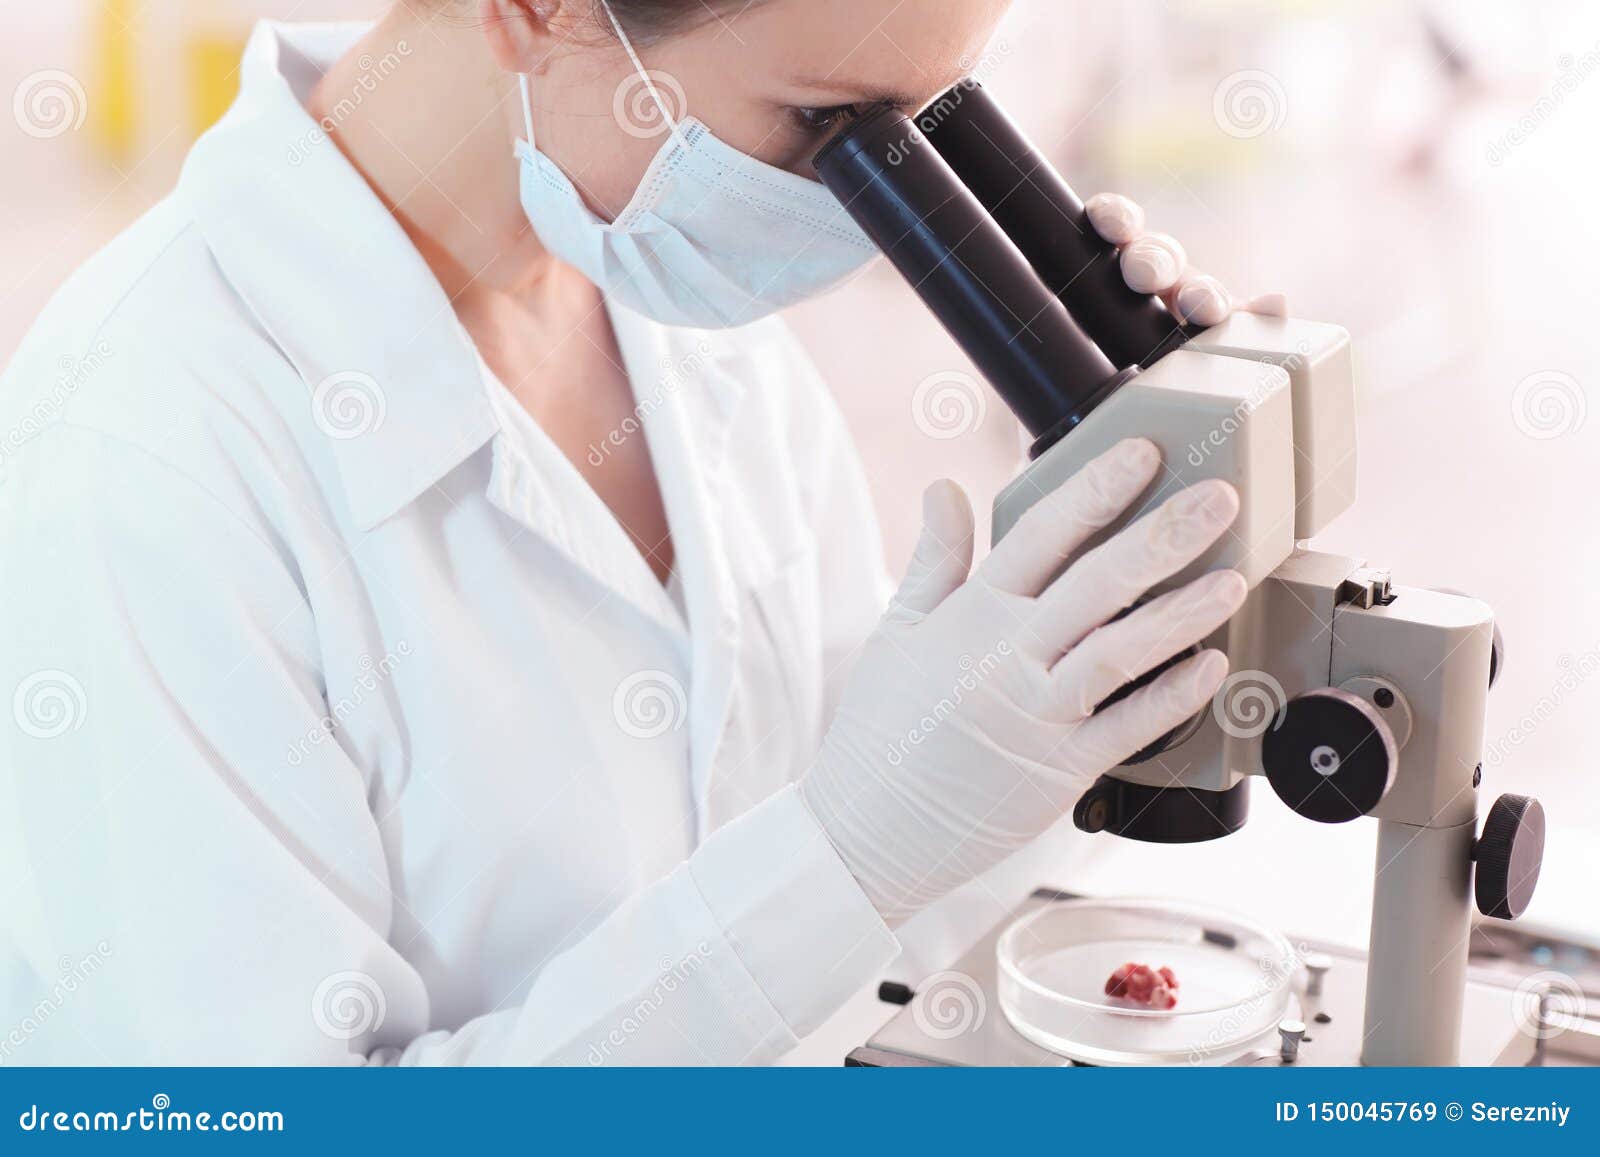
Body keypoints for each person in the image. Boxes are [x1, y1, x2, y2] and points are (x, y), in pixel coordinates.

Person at [0, 0, 1278, 1064]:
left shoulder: (675, 310)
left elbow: (863, 945)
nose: (862, 208)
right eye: (828, 126)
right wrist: (850, 849)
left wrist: (1086, 584)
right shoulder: (147, 449)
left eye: (938, 118)